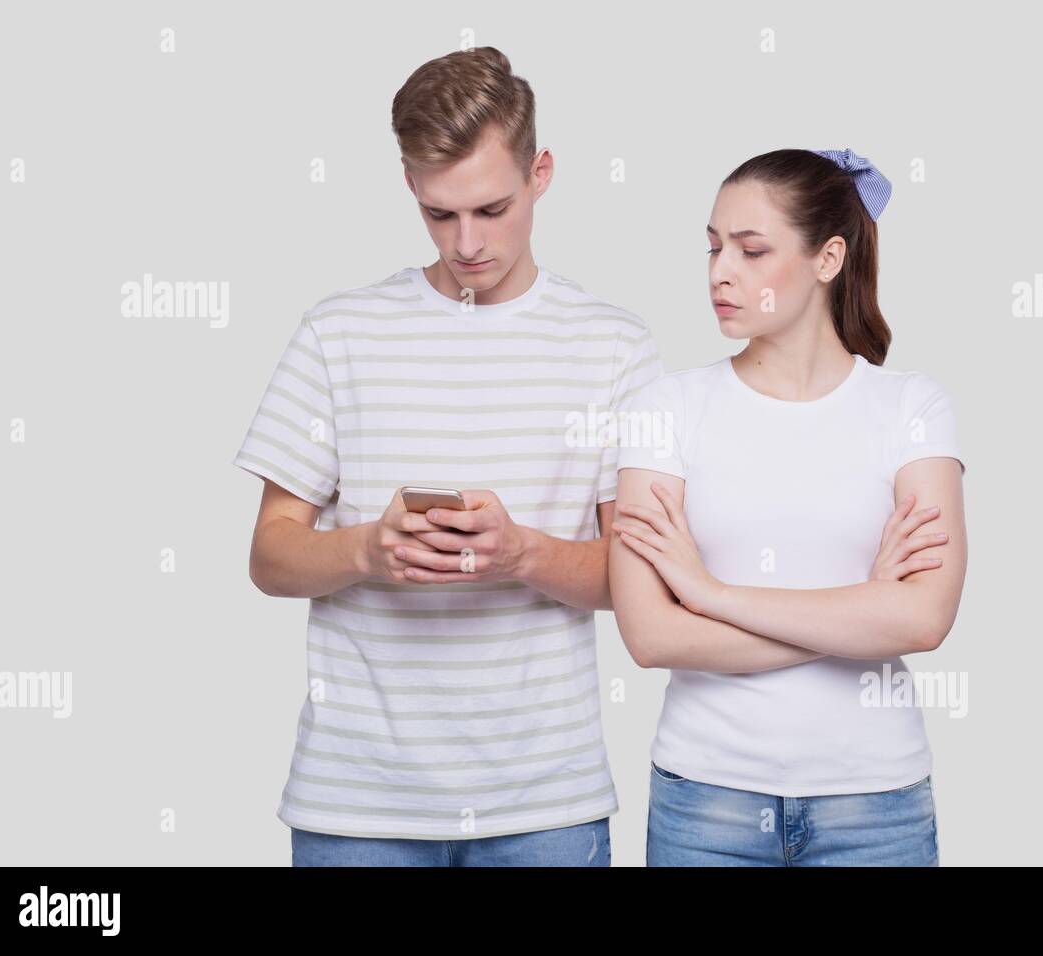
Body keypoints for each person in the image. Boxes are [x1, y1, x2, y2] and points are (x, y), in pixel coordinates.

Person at [232, 47, 662, 866]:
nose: (467, 242)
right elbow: (268, 556)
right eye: (440, 214)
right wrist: (365, 549)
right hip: (355, 806)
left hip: (545, 804)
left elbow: (639, 581)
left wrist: (523, 554)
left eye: (492, 208)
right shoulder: (338, 332)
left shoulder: (616, 346)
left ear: (541, 173)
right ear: (409, 184)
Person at [609, 147, 967, 866]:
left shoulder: (912, 408)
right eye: (713, 247)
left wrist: (709, 594)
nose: (719, 272)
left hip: (876, 808)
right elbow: (650, 637)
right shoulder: (664, 409)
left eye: (750, 250)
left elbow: (924, 620)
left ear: (828, 258)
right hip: (707, 802)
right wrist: (863, 611)